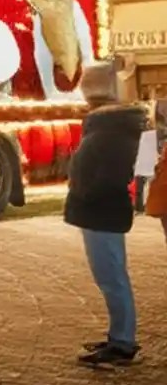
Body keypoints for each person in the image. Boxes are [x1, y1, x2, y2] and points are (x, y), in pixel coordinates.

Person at [66, 61, 144, 366]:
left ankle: (123, 341)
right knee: (110, 277)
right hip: (99, 212)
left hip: (102, 212)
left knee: (112, 277)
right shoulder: (111, 127)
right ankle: (118, 335)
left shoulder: (112, 130)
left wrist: (85, 191)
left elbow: (110, 175)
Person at [133, 109, 157, 214]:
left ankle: (140, 207)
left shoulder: (141, 132)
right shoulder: (152, 131)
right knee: (145, 185)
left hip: (143, 160)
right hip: (147, 160)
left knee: (141, 185)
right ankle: (142, 206)